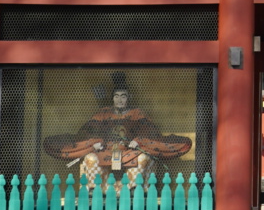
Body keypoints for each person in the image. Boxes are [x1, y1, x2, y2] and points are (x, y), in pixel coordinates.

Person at [42, 78, 191, 184]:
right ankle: (96, 189)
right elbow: (86, 133)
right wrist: (95, 143)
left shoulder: (137, 113)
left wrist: (138, 141)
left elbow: (152, 134)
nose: (120, 100)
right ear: (112, 98)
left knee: (142, 159)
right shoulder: (103, 113)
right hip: (105, 150)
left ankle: (134, 189)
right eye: (117, 96)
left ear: (128, 98)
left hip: (130, 151)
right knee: (92, 159)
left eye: (123, 96)